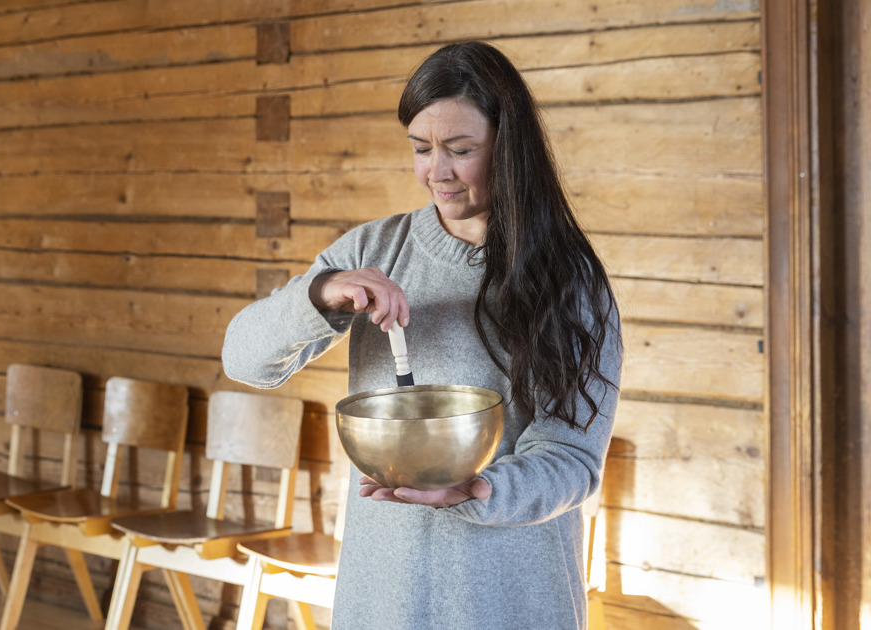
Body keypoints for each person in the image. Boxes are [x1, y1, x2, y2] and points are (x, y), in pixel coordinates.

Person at [222, 40, 622, 629]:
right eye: (420, 148)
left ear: (509, 149)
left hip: (510, 599)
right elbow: (243, 359)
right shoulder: (373, 250)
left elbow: (572, 459)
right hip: (384, 597)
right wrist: (319, 294)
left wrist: (477, 490)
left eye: (461, 150)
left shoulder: (568, 279)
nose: (437, 172)